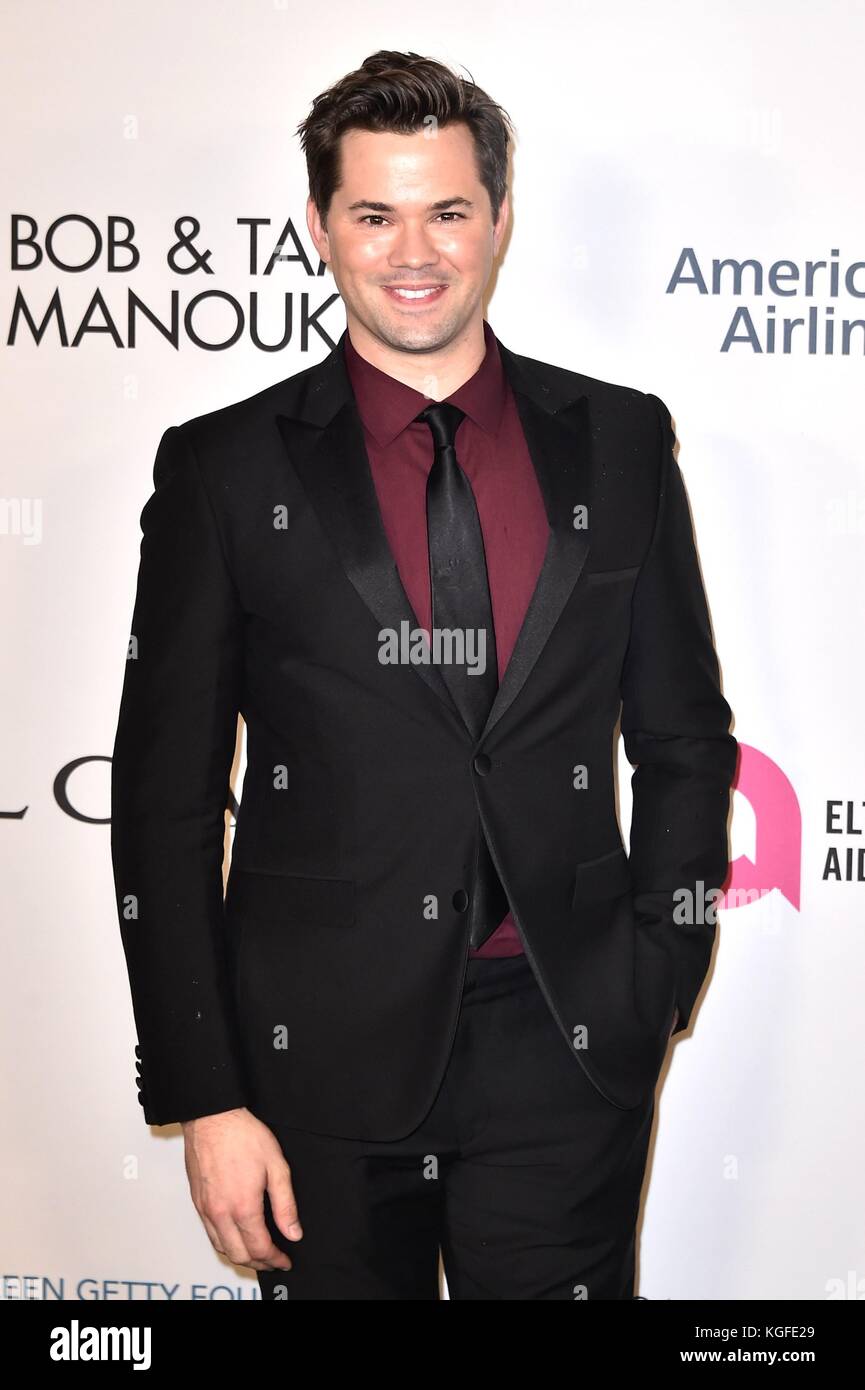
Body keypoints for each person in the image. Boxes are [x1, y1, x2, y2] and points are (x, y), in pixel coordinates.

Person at [110, 49, 737, 1300]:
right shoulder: (225, 469)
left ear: (499, 218)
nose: (414, 250)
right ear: (319, 228)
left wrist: (652, 978)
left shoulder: (618, 441)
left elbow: (684, 737)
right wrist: (209, 1092)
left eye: (448, 210)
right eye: (374, 213)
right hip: (313, 1073)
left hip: (563, 1050)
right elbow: (164, 796)